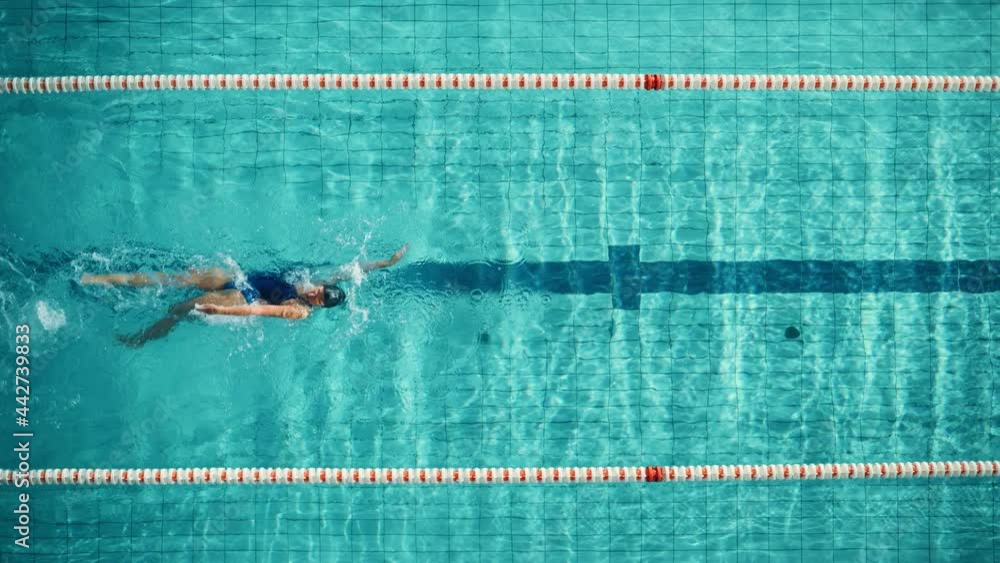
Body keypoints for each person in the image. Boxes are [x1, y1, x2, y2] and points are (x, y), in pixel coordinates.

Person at [80, 244, 409, 347]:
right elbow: (351, 270)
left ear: (320, 305)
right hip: (240, 277)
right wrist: (386, 263)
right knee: (172, 279)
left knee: (179, 309)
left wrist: (219, 311)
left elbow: (258, 312)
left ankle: (140, 339)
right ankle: (97, 278)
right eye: (321, 290)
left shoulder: (298, 311)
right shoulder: (313, 282)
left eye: (320, 297)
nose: (316, 291)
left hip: (243, 300)